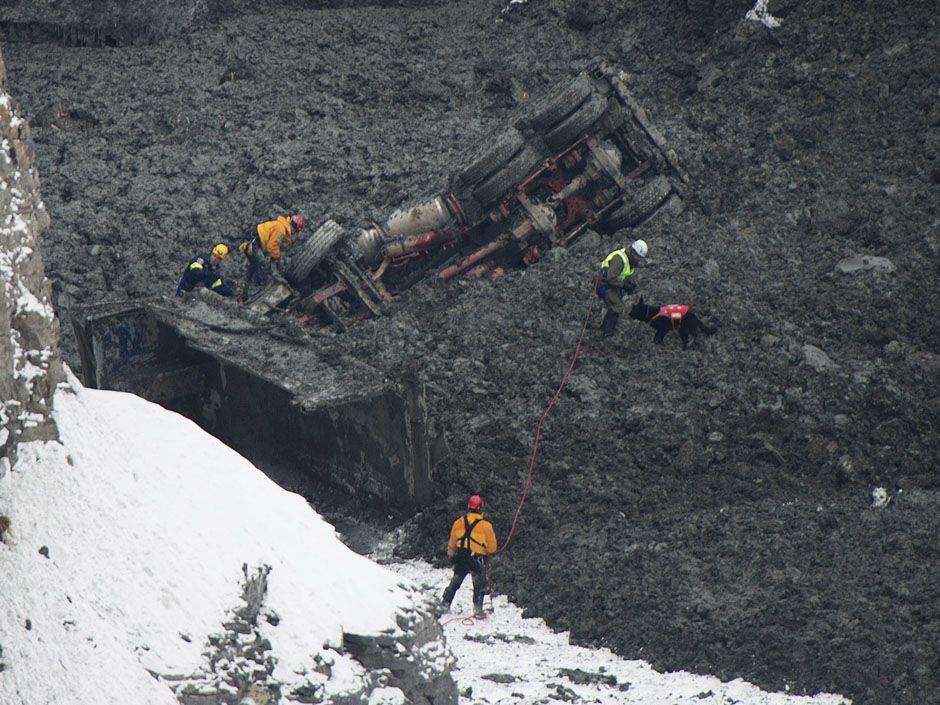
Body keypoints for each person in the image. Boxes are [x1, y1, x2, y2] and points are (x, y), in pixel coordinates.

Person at [441, 495, 498, 616]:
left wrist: (451, 555)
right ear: (480, 508)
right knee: (479, 584)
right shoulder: (486, 526)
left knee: (455, 582)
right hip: (476, 558)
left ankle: (445, 603)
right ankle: (477, 610)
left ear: (468, 507)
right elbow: (492, 548)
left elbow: (452, 543)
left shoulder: (458, 522)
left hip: (461, 556)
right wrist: (486, 552)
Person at [238, 214, 306, 296]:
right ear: (295, 230)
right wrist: (278, 257)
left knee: (255, 265)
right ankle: (255, 289)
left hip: (252, 239)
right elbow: (271, 247)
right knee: (263, 264)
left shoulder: (280, 226)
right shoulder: (281, 230)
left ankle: (244, 290)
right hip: (253, 241)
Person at [595, 239, 647, 337]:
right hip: (604, 284)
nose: (638, 259)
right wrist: (623, 285)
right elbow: (610, 278)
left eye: (640, 257)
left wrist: (629, 285)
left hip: (611, 284)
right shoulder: (620, 259)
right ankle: (608, 333)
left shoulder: (630, 260)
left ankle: (603, 328)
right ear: (633, 252)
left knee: (616, 305)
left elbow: (621, 275)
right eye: (637, 256)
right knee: (617, 306)